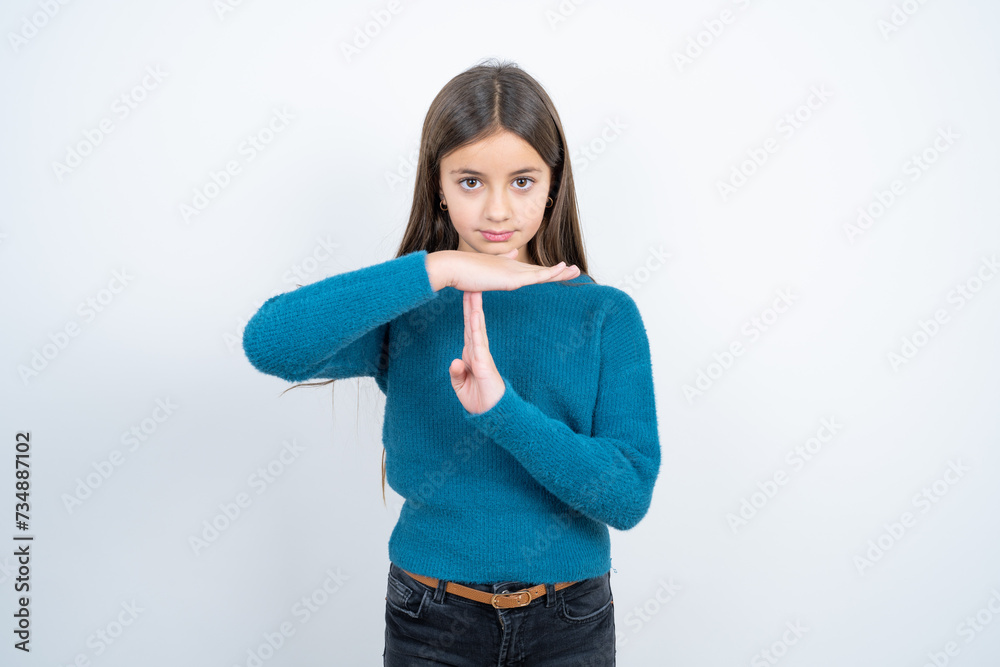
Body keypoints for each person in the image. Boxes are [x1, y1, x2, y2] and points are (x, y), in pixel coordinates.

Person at [241, 58, 661, 666]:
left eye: (522, 181)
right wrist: (437, 269)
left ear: (553, 182)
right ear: (437, 183)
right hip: (430, 618)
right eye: (470, 182)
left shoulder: (603, 315)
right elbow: (271, 344)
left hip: (569, 622)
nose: (496, 211)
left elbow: (626, 497)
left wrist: (501, 412)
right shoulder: (413, 306)